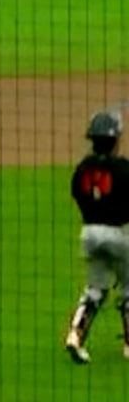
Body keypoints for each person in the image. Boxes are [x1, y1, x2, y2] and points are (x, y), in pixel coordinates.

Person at [65, 111, 129, 363]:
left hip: (89, 233)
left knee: (94, 290)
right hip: (120, 234)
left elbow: (77, 194)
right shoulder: (124, 167)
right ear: (115, 140)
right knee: (128, 289)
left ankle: (75, 335)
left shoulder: (83, 167)